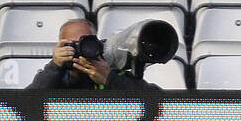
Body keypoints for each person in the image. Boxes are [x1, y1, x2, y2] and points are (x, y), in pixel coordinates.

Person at [26, 18, 162, 90]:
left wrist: (109, 79)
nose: (79, 50)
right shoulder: (54, 78)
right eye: (71, 44)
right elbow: (24, 107)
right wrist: (54, 67)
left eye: (85, 42)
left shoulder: (111, 74)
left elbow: (161, 104)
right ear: (60, 47)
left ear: (97, 44)